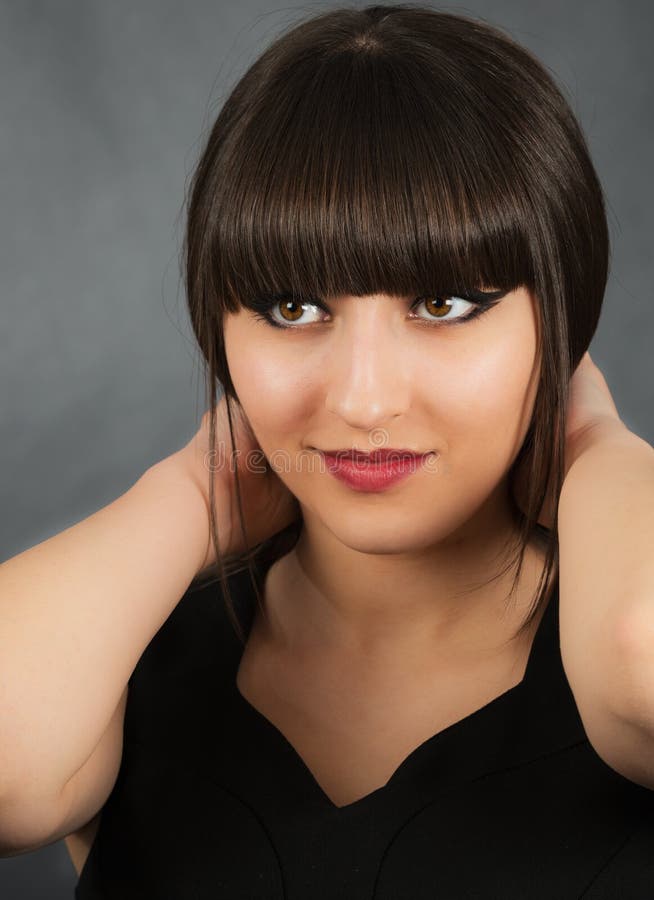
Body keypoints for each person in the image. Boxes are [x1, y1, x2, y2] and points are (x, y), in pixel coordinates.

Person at [1, 4, 653, 897]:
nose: (362, 398)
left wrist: (591, 442)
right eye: (292, 308)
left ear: (563, 321)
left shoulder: (619, 649)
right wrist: (194, 490)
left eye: (446, 305)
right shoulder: (120, 663)